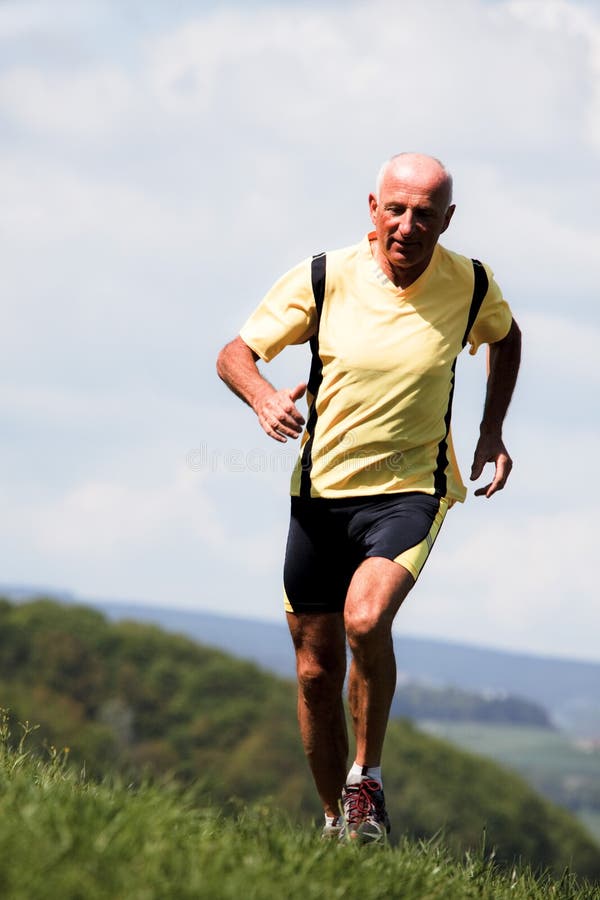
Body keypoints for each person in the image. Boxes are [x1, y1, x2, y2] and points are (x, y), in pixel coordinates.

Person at [216, 152, 521, 843]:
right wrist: (262, 397)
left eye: (424, 214)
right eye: (396, 209)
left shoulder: (470, 284)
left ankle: (367, 782)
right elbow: (236, 352)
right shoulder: (325, 276)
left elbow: (507, 339)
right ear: (372, 207)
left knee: (364, 620)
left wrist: (492, 429)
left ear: (448, 219)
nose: (408, 226)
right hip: (320, 494)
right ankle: (334, 823)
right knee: (316, 672)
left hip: (411, 490)